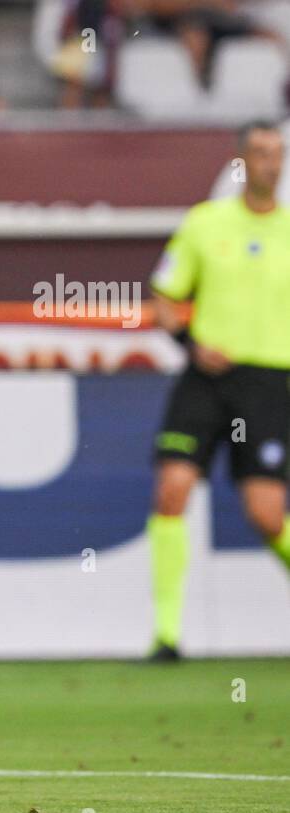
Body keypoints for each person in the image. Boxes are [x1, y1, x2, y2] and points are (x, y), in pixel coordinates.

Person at [146, 120, 290, 661]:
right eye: (260, 153)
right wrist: (189, 339)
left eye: (278, 154)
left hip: (270, 382)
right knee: (172, 489)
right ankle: (167, 636)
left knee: (267, 515)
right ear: (240, 162)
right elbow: (164, 296)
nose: (271, 164)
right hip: (206, 379)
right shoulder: (205, 224)